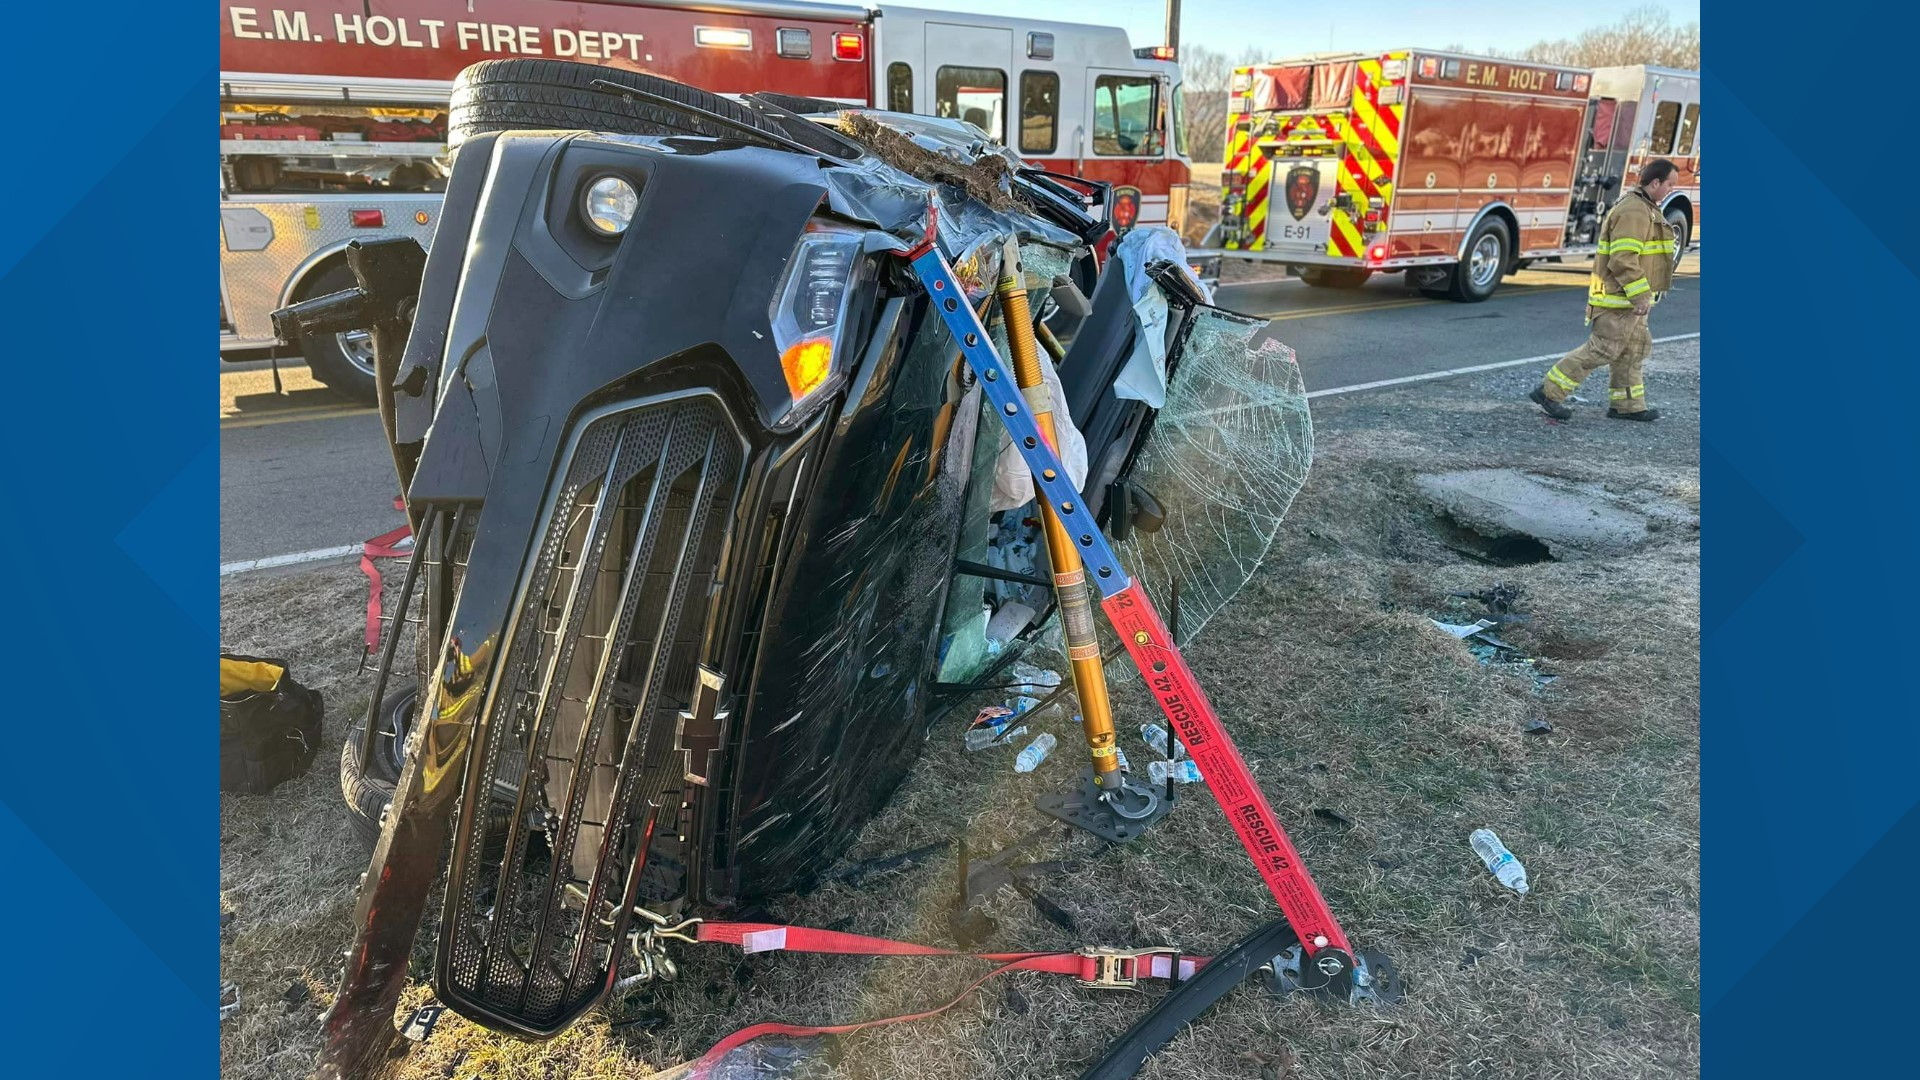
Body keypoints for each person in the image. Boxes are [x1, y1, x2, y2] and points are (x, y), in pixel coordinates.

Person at [1530, 158, 1680, 421]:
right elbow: (1623, 258)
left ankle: (1627, 406)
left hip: (1630, 303)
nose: (1671, 189)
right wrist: (1640, 294)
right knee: (1603, 349)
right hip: (1619, 301)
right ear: (1655, 182)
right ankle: (1549, 392)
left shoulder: (1644, 208)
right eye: (1670, 184)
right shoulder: (1634, 211)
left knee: (1633, 351)